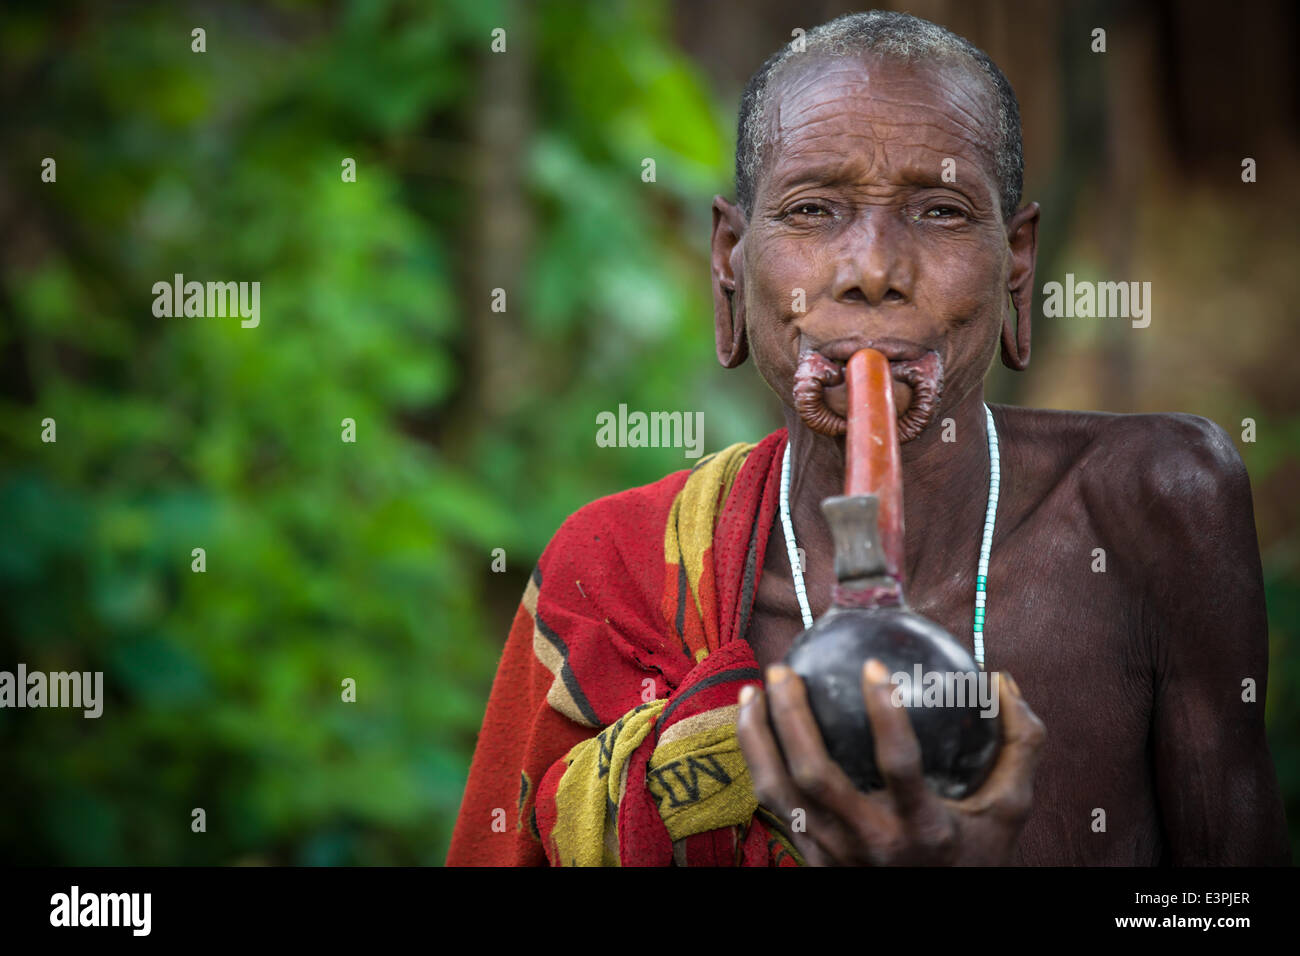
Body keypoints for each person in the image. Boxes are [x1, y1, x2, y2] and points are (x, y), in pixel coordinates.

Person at [446, 10, 1290, 866]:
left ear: (1017, 264)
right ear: (730, 262)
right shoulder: (615, 569)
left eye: (940, 210)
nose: (873, 270)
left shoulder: (1155, 504)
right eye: (813, 209)